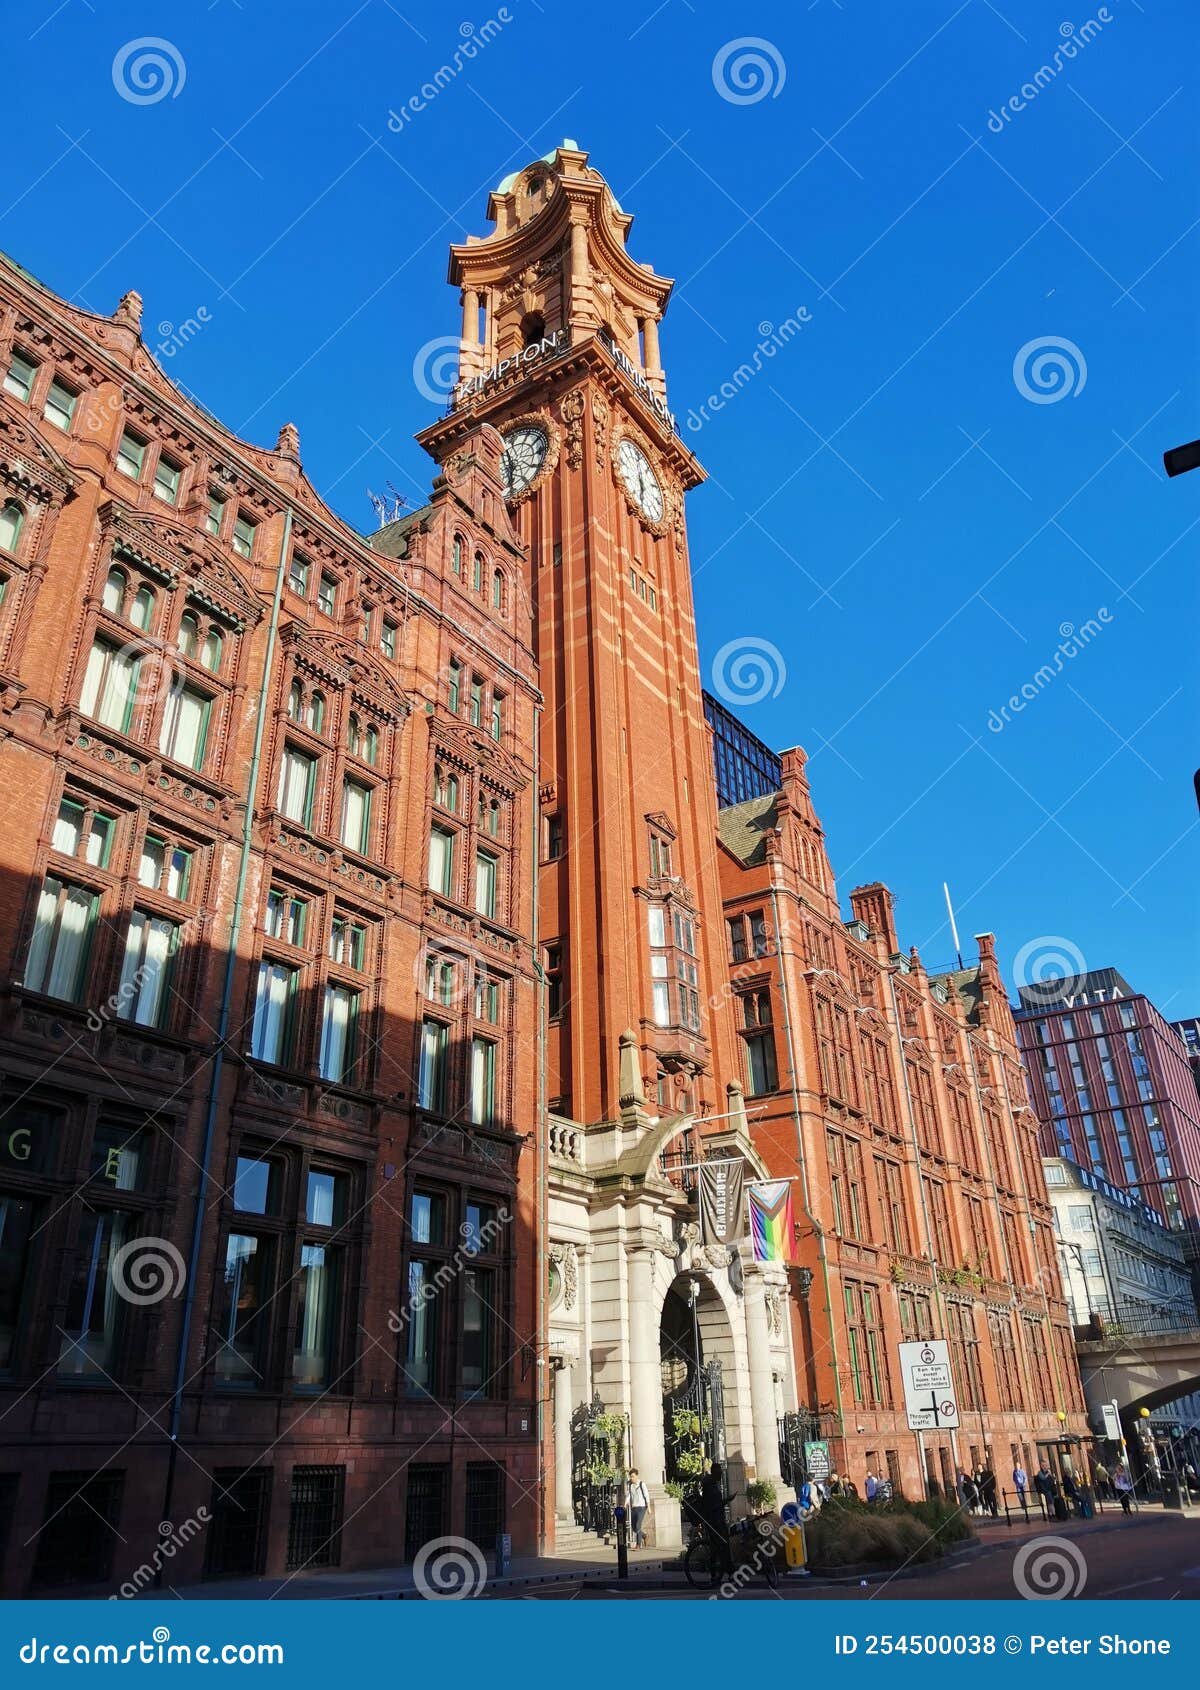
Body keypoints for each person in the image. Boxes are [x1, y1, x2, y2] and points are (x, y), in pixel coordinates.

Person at [697, 1462, 733, 1575]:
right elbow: (712, 1505)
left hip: (716, 1519)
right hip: (714, 1520)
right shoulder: (710, 1485)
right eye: (720, 1472)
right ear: (715, 1472)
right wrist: (726, 1501)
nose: (721, 1475)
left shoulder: (712, 1483)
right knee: (723, 1547)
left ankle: (715, 1575)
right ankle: (730, 1574)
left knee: (716, 1547)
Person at [627, 1468, 649, 1549]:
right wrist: (625, 1504)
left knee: (638, 1525)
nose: (631, 1478)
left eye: (633, 1476)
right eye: (630, 1477)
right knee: (633, 1527)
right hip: (634, 1507)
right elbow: (628, 1495)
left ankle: (638, 1545)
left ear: (636, 1476)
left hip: (642, 1507)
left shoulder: (642, 1484)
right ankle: (644, 1535)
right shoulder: (630, 1485)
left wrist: (649, 1507)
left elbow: (646, 1495)